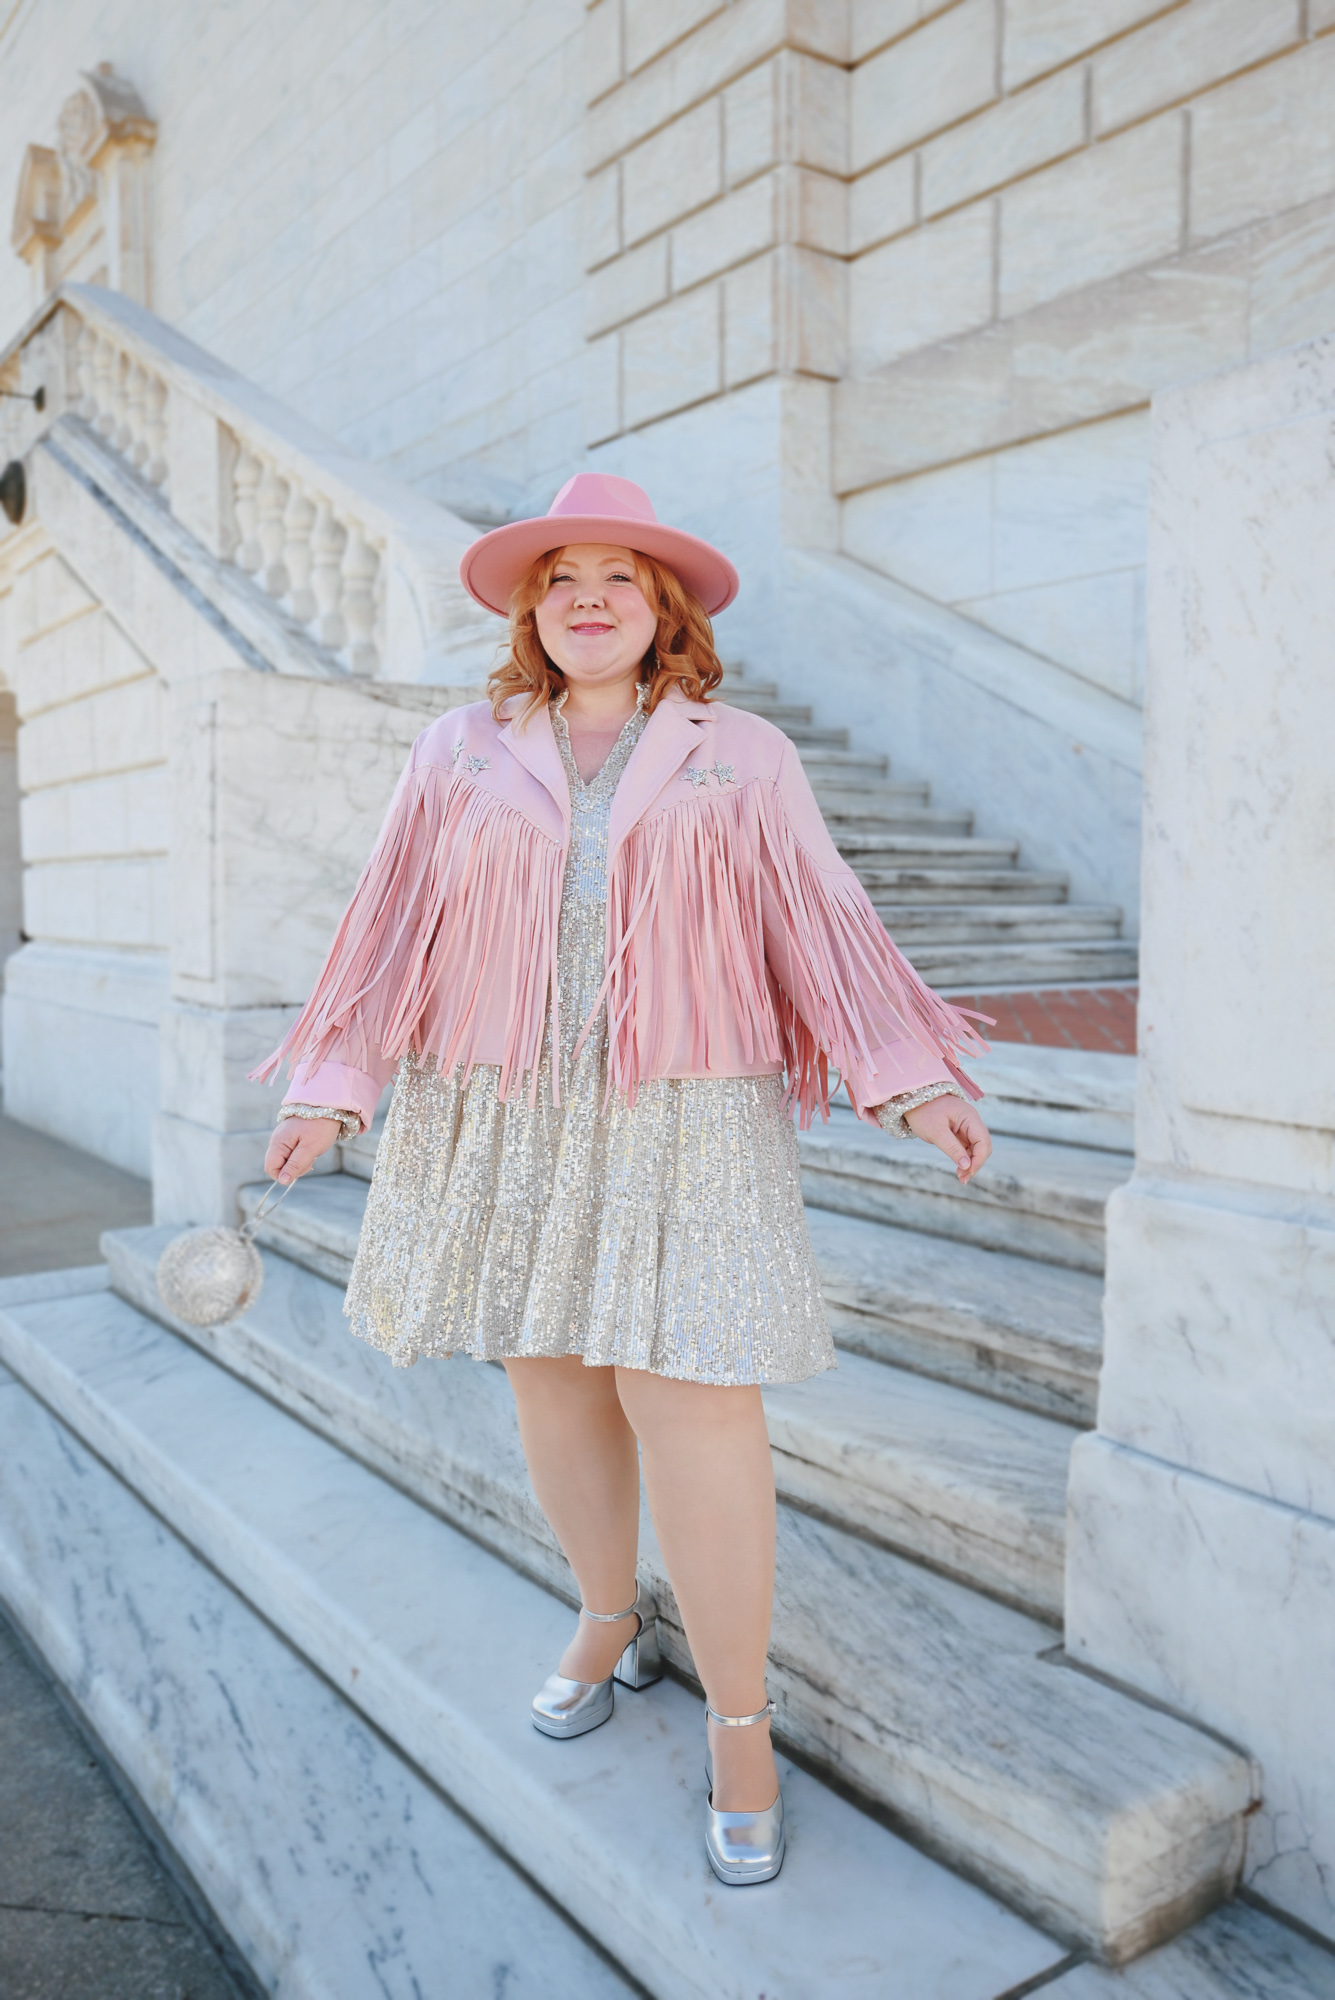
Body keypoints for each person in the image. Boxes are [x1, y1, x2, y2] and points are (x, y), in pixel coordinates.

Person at [254, 473, 991, 1887]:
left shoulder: (743, 753)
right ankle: (605, 1611)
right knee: (551, 1375)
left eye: (621, 575)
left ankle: (739, 1716)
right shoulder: (461, 749)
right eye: (561, 576)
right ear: (533, 608)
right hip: (506, 1102)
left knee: (695, 1395)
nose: (588, 595)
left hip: (686, 1110)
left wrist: (910, 1076)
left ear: (664, 611)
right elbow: (389, 924)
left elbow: (819, 915)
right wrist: (330, 1092)